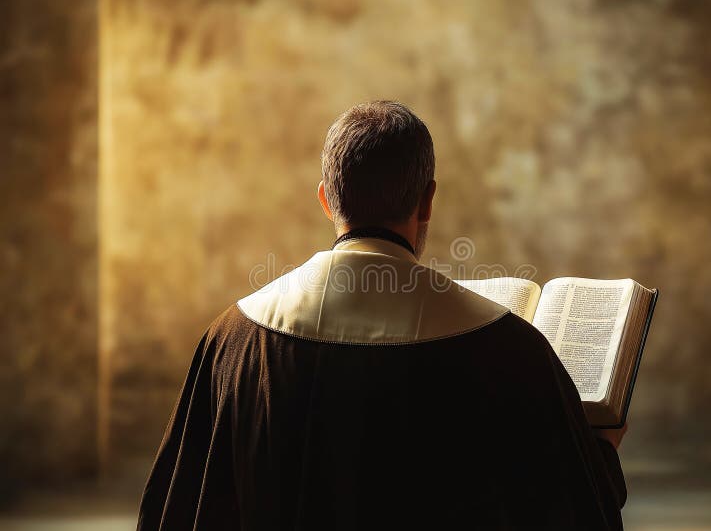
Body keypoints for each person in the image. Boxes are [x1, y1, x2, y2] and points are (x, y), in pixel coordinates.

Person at [137, 100, 627, 530]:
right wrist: (601, 451)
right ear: (428, 200)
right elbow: (567, 509)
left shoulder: (233, 340)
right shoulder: (511, 349)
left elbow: (181, 511)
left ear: (326, 198)